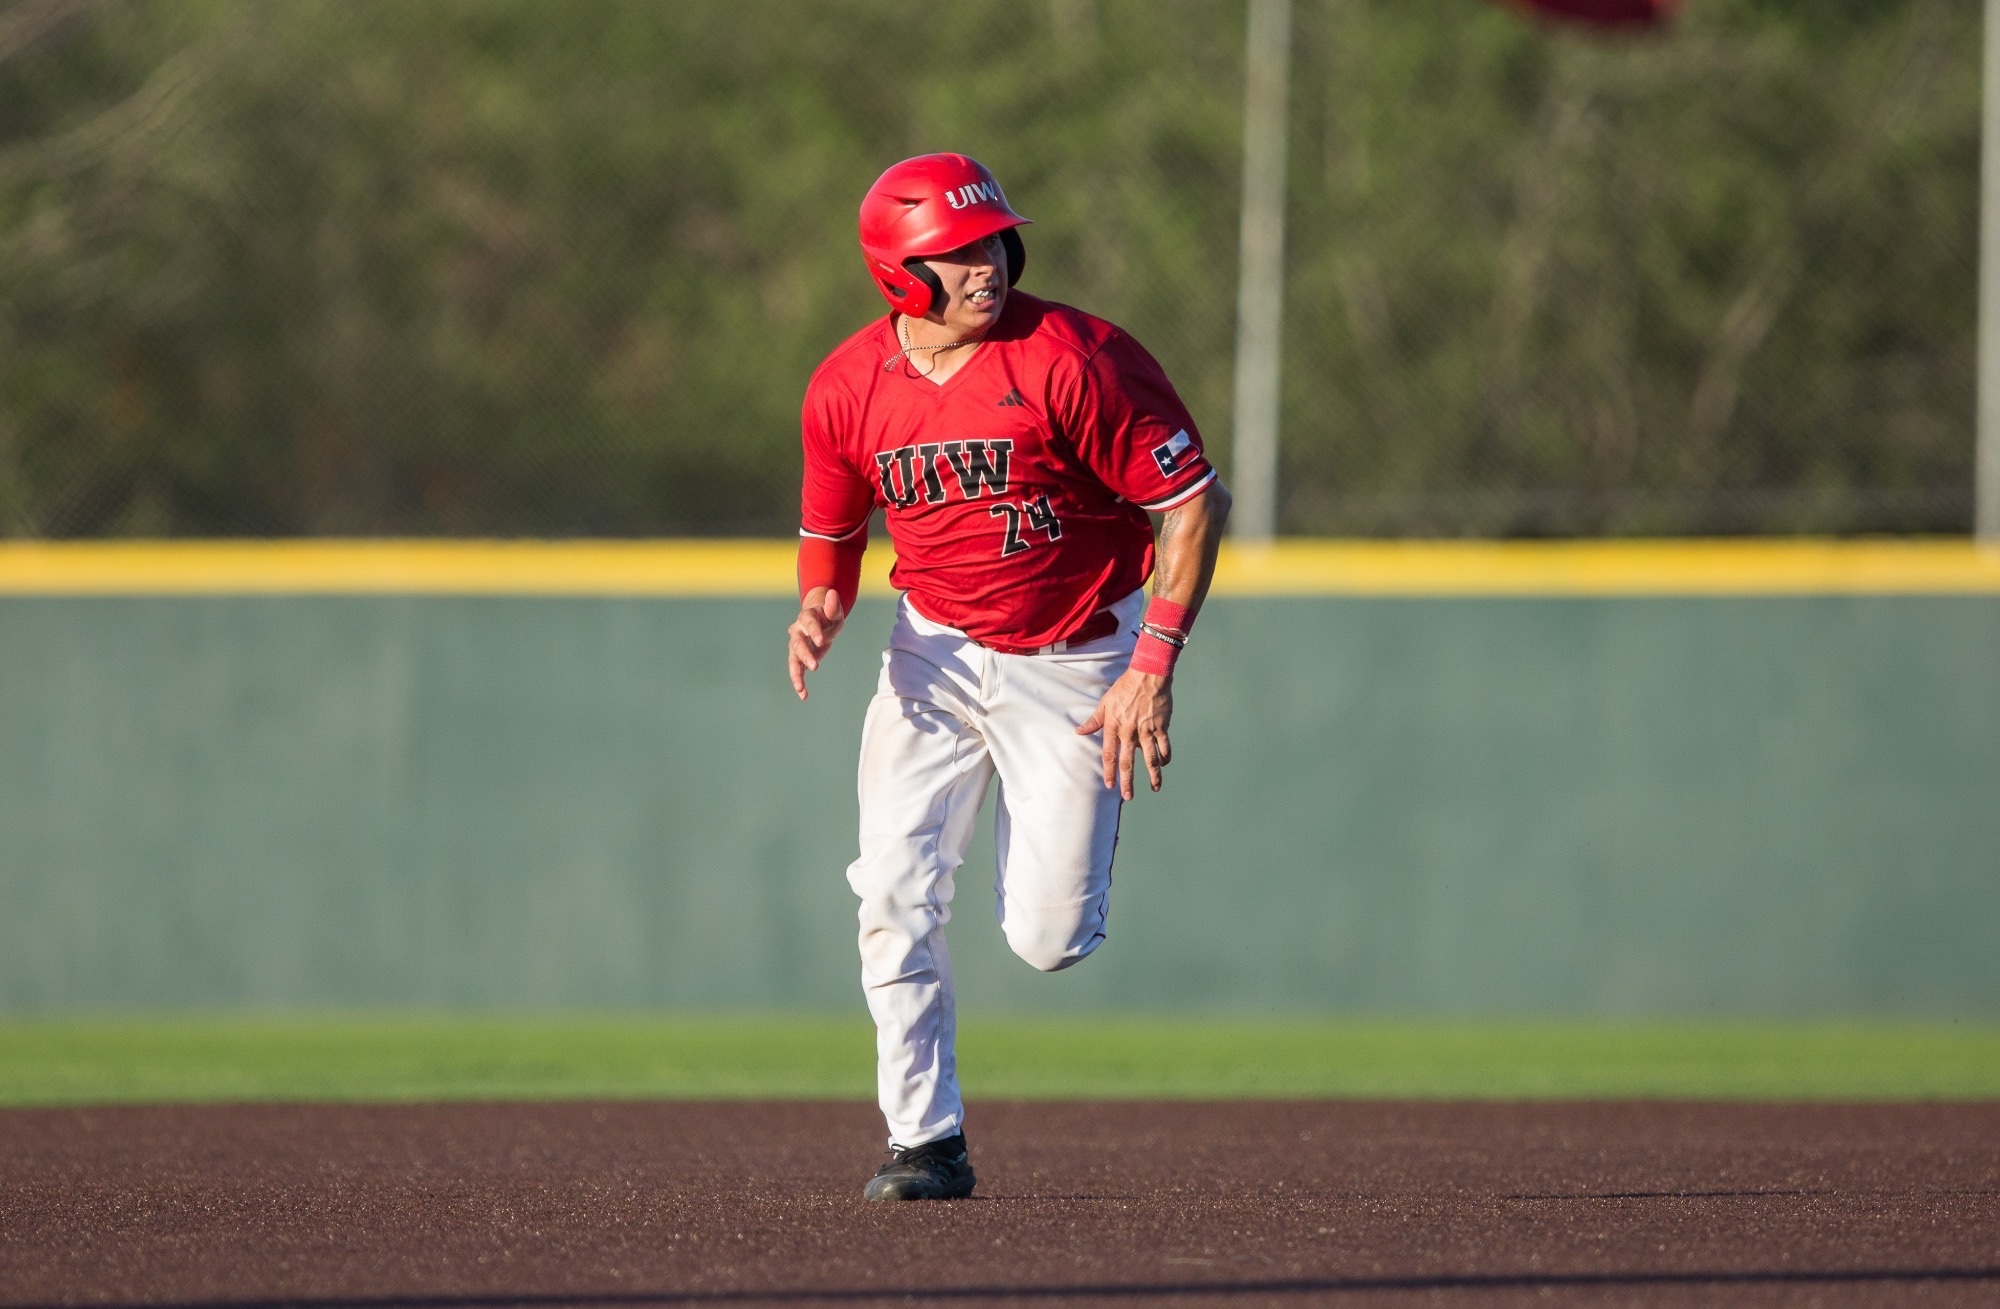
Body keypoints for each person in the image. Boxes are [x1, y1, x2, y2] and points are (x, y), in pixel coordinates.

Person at [786, 153, 1231, 1202]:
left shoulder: (1073, 356)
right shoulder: (846, 386)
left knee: (1046, 939)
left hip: (1077, 655)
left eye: (991, 243)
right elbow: (833, 523)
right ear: (899, 274)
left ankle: (1049, 894)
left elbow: (1189, 502)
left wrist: (1152, 664)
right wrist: (823, 599)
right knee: (890, 892)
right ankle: (923, 1140)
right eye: (952, 254)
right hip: (931, 652)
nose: (983, 267)